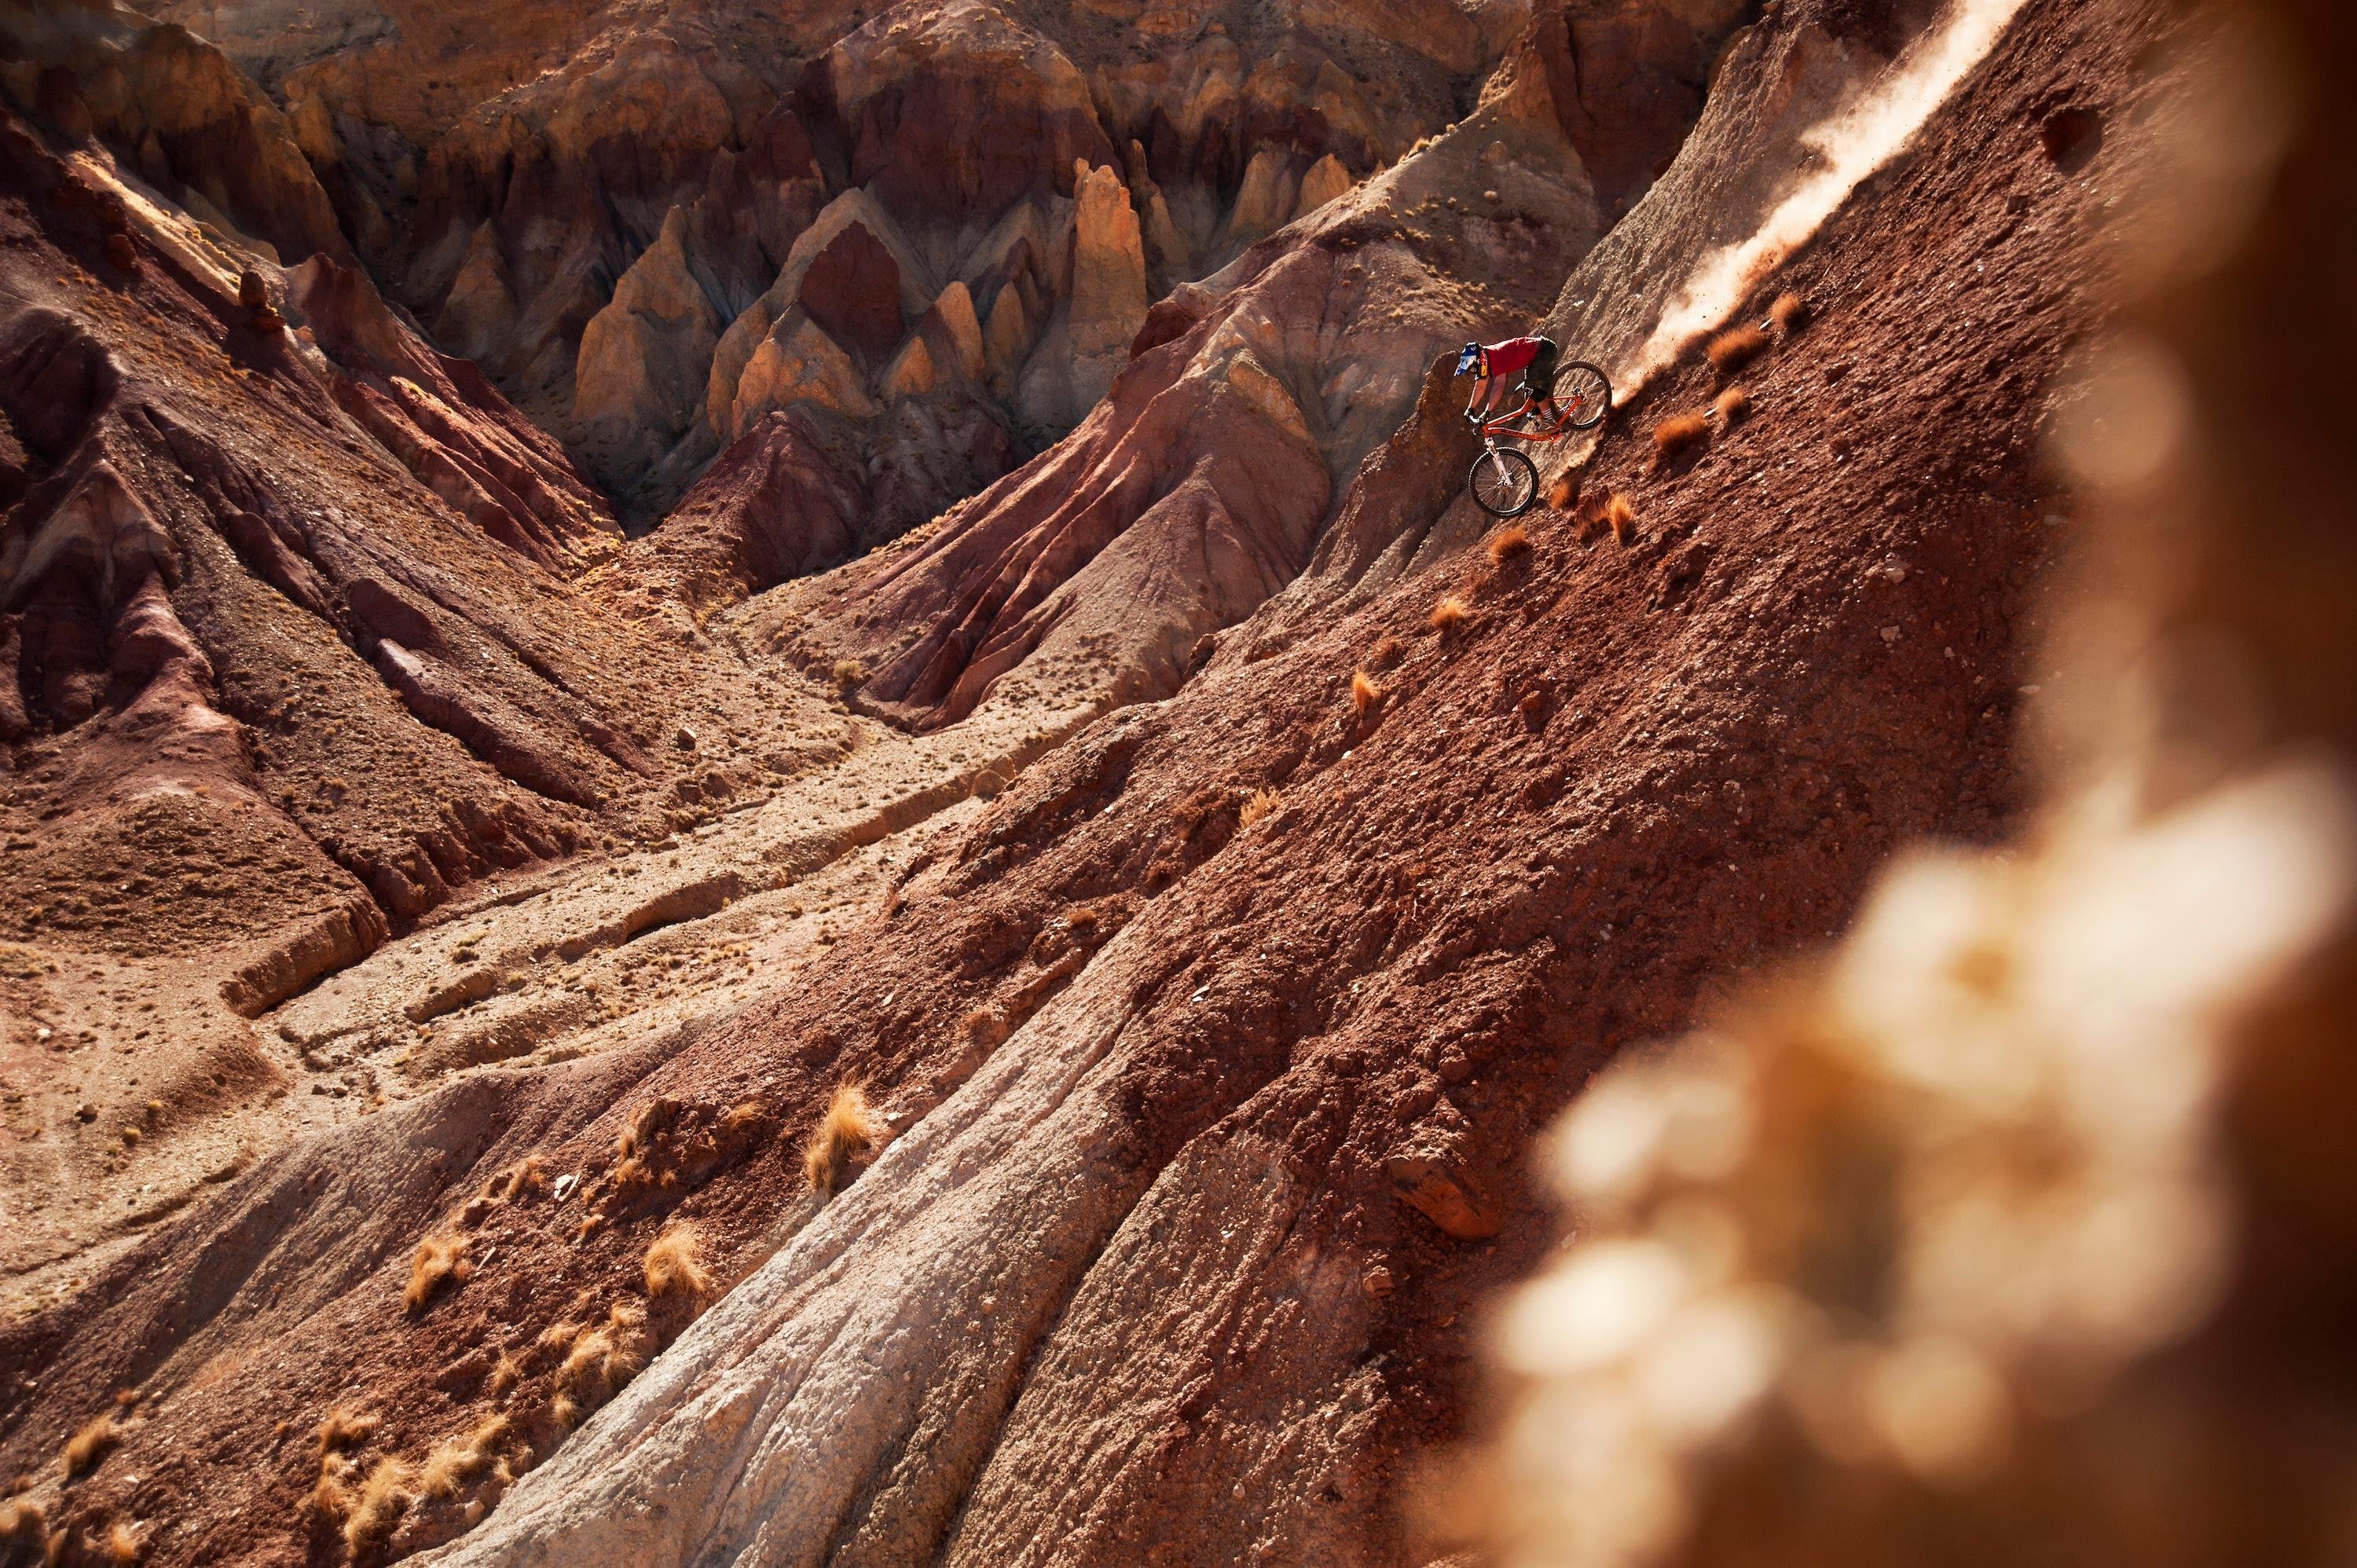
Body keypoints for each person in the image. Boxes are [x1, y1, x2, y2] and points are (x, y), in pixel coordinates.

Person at [1457, 335, 1559, 426]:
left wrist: (1487, 412)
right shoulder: (1487, 357)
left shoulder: (1497, 358)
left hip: (1545, 351)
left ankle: (1552, 420)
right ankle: (1558, 415)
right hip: (1537, 355)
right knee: (1530, 396)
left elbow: (1498, 387)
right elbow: (1480, 386)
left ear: (1480, 361)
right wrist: (1471, 409)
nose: (1477, 372)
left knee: (1535, 390)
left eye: (1476, 369)